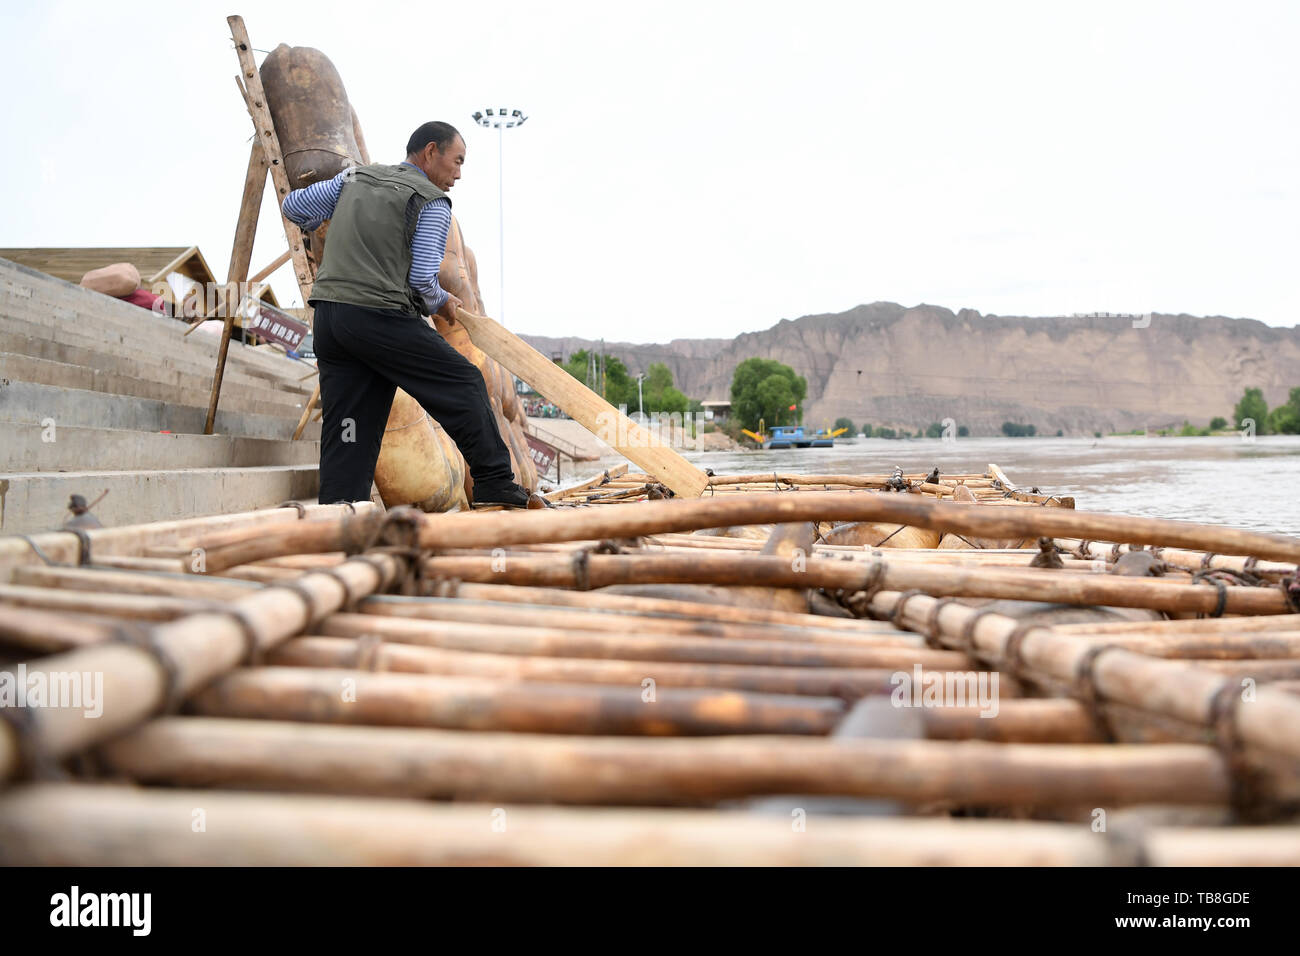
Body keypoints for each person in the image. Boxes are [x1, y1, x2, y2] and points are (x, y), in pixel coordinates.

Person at [281, 121, 530, 508]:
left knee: (350, 425)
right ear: (431, 152)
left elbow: (293, 206)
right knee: (464, 382)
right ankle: (495, 481)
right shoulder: (431, 201)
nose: (459, 174)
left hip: (331, 320)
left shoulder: (355, 179)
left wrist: (329, 219)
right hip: (379, 317)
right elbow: (420, 281)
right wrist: (444, 301)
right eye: (457, 161)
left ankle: (339, 511)